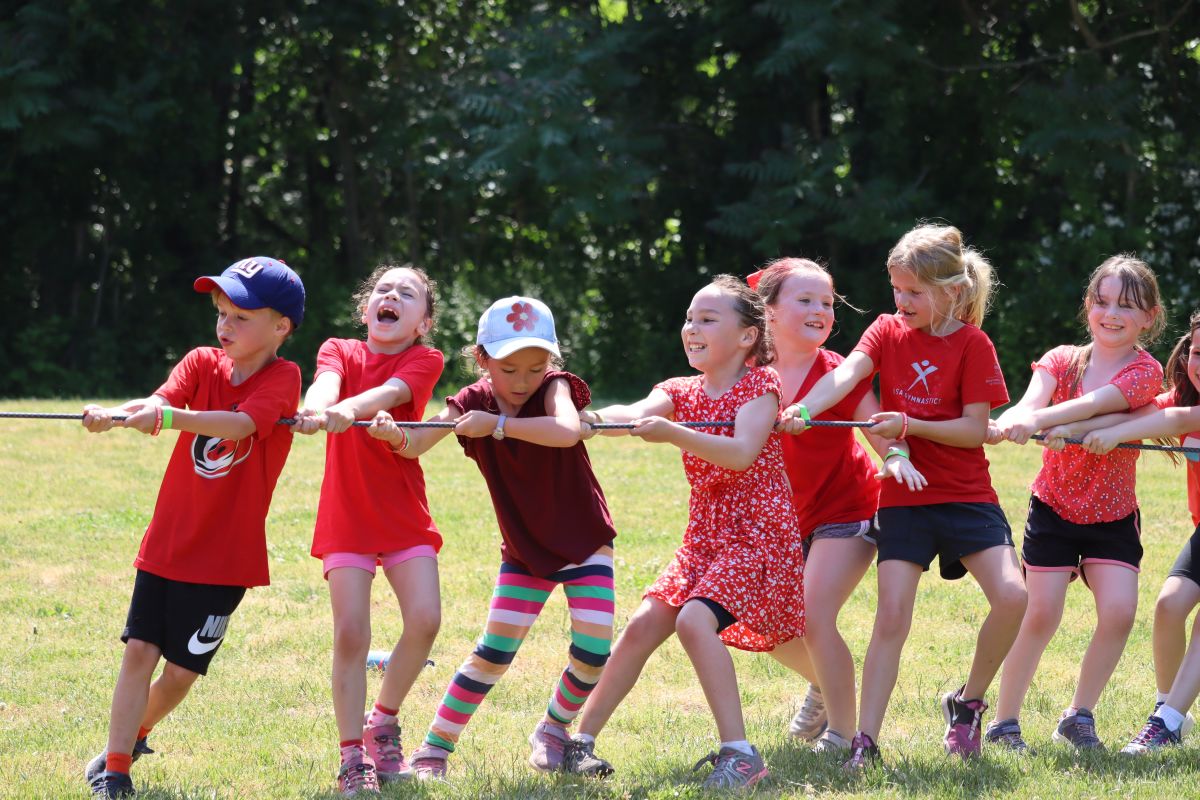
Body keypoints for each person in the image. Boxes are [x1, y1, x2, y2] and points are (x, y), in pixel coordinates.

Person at [781, 224, 1026, 767]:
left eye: (914, 291)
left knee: (1013, 596)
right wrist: (804, 407)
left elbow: (971, 429)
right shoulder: (886, 332)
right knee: (891, 616)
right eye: (897, 289)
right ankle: (864, 741)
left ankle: (968, 704)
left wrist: (910, 425)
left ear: (951, 292)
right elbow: (846, 375)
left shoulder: (973, 344)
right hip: (904, 501)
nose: (901, 301)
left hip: (966, 496)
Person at [80, 257, 305, 798]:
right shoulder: (200, 363)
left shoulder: (285, 377)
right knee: (138, 652)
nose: (224, 325)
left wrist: (170, 419)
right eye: (221, 312)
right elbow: (161, 401)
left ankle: (135, 734)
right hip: (169, 541)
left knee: (180, 674)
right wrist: (114, 414)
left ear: (281, 327)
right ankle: (115, 770)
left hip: (227, 557)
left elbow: (241, 423)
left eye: (241, 316)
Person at [573, 274, 806, 790]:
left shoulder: (759, 386)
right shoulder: (679, 390)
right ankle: (580, 743)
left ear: (747, 336)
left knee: (696, 622)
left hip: (758, 533)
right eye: (689, 318)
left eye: (707, 318)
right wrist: (589, 418)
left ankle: (740, 754)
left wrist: (677, 433)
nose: (691, 327)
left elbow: (743, 452)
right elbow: (633, 413)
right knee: (642, 625)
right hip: (705, 537)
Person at [373, 296, 617, 781]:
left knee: (593, 652)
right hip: (526, 549)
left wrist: (500, 427)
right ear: (482, 359)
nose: (523, 380)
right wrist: (393, 435)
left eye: (535, 366)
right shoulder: (470, 402)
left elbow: (568, 431)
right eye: (509, 369)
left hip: (585, 539)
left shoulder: (555, 388)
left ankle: (553, 731)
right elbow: (421, 439)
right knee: (494, 652)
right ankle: (433, 750)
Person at [988, 255, 1164, 752]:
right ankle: (1004, 722)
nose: (1112, 314)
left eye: (1127, 306)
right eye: (1102, 301)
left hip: (1112, 515)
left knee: (1119, 612)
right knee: (1039, 616)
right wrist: (1020, 416)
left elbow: (1094, 407)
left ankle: (1078, 714)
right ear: (1088, 305)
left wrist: (1051, 423)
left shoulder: (1144, 373)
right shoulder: (1062, 359)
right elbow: (1033, 397)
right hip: (1055, 508)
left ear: (1149, 317)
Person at [750, 258, 925, 754]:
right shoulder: (751, 372)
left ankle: (842, 733)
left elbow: (876, 424)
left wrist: (894, 457)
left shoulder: (835, 372)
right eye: (805, 300)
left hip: (846, 511)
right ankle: (827, 686)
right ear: (769, 312)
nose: (820, 310)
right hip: (782, 519)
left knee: (811, 614)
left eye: (827, 302)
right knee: (761, 621)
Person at [292, 264, 443, 795]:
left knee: (425, 620)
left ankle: (382, 722)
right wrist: (314, 409)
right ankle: (351, 756)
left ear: (423, 321)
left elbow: (388, 394)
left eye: (408, 294)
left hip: (402, 514)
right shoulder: (338, 348)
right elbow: (326, 383)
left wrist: (345, 410)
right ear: (366, 309)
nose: (392, 297)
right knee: (352, 633)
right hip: (347, 516)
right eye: (383, 289)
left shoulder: (425, 359)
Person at [1038, 310, 1197, 754]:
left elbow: (1168, 423)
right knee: (1169, 606)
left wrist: (1095, 429)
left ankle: (1165, 724)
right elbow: (1140, 415)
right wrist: (1068, 428)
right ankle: (1171, 709)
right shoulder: (1179, 397)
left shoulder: (1186, 409)